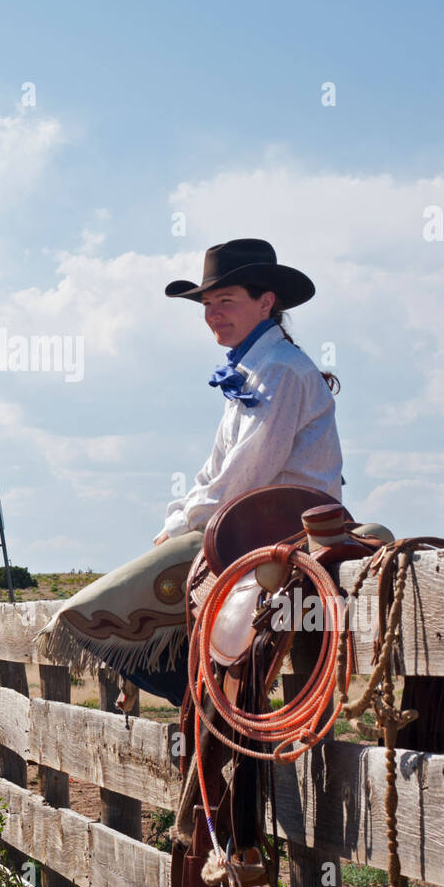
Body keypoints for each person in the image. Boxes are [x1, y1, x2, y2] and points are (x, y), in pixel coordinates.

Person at [116, 237, 343, 711]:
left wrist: (179, 526)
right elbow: (216, 470)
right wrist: (177, 517)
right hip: (257, 516)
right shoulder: (255, 371)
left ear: (266, 303)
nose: (212, 313)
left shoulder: (280, 370)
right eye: (207, 303)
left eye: (225, 301)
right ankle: (220, 704)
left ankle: (218, 704)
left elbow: (246, 473)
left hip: (283, 520)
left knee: (125, 611)